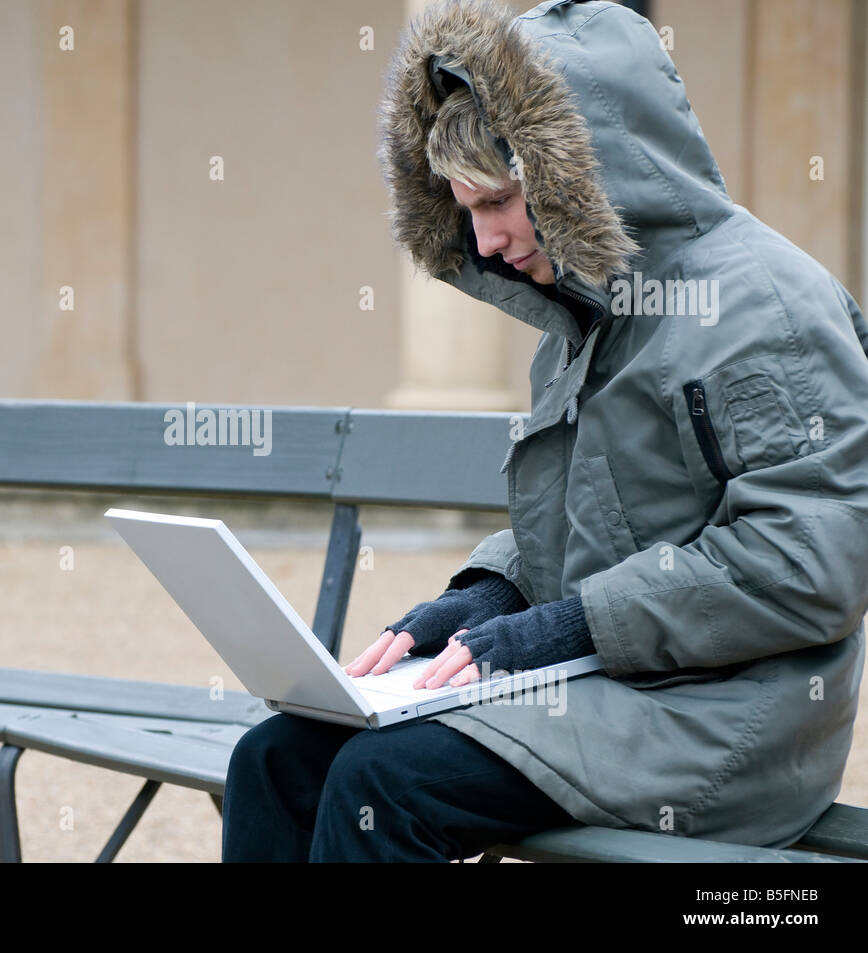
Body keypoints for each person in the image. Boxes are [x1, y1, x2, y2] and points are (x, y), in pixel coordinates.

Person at [221, 0, 868, 862]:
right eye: (464, 207)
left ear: (579, 172)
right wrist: (485, 598)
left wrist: (566, 628)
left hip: (726, 723)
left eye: (498, 200)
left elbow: (811, 565)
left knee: (385, 780)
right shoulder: (590, 314)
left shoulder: (764, 306)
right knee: (273, 759)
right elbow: (596, 522)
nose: (484, 242)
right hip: (613, 685)